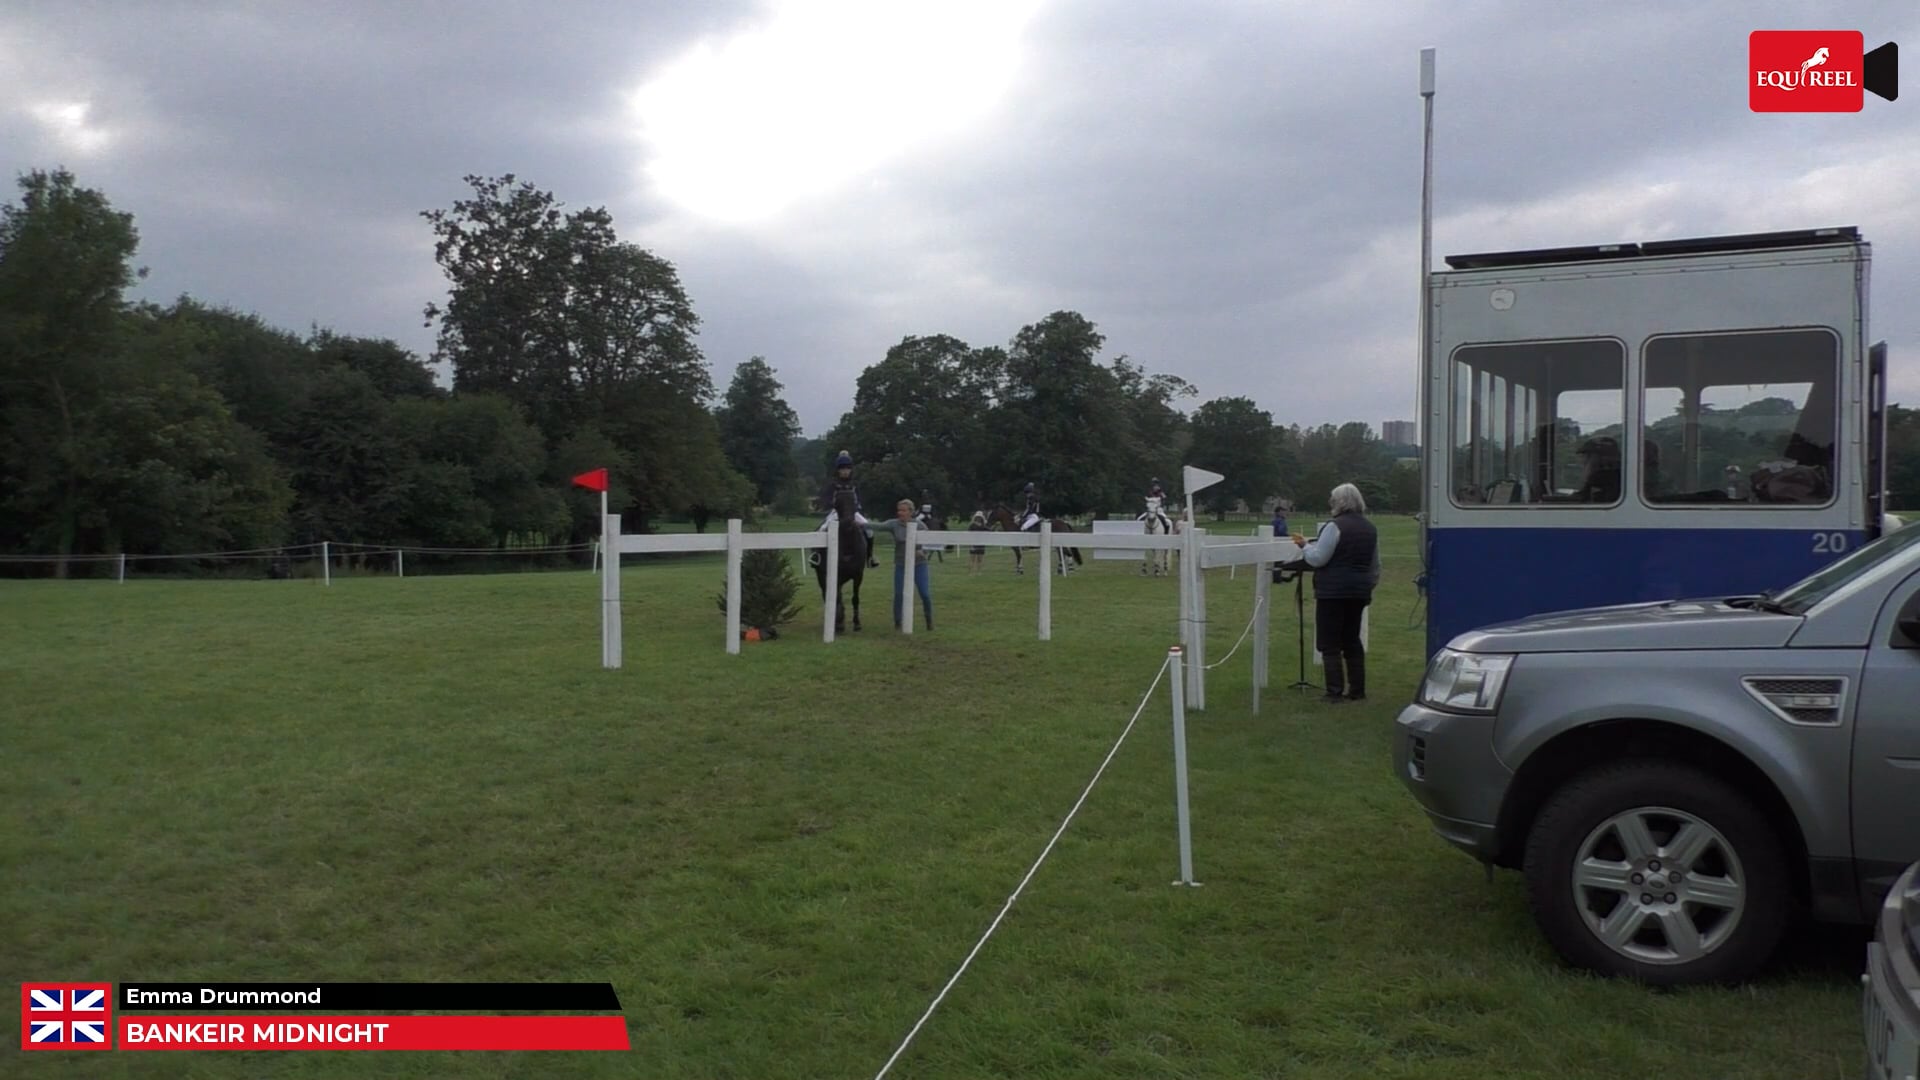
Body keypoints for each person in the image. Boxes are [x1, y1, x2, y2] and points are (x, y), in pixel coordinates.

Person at [1289, 482, 1381, 703]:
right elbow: (1376, 565)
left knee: (1329, 641)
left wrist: (1305, 546)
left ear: (1339, 502)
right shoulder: (1370, 528)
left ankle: (1334, 691)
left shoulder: (1335, 526)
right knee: (1351, 639)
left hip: (1333, 591)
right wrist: (1367, 585)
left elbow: (1318, 558)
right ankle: (1357, 690)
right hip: (1359, 591)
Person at [870, 498, 933, 630]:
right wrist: (858, 523)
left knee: (924, 593)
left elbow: (931, 542)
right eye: (899, 510)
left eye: (903, 510)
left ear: (911, 512)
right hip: (901, 564)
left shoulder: (920, 525)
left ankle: (929, 619)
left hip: (919, 565)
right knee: (899, 594)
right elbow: (878, 526)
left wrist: (922, 551)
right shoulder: (894, 524)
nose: (900, 513)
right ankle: (898, 621)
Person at [819, 450, 880, 568]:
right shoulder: (833, 484)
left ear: (851, 469)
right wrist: (832, 504)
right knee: (822, 529)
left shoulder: (854, 485)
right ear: (838, 470)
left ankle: (870, 557)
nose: (845, 471)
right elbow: (826, 499)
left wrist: (857, 508)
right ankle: (818, 556)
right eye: (842, 469)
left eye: (847, 468)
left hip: (853, 513)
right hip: (836, 512)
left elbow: (859, 500)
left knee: (869, 529)